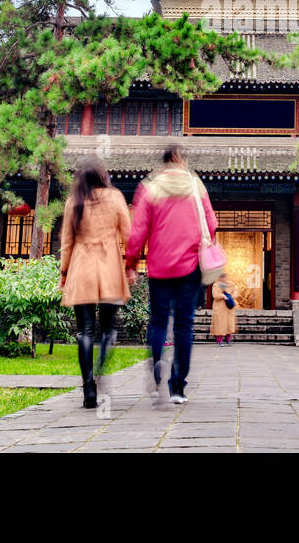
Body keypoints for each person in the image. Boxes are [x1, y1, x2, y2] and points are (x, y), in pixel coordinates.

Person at [125, 143, 218, 405]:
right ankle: (178, 386)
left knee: (157, 322)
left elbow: (138, 231)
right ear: (181, 160)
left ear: (165, 161)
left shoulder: (150, 187)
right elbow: (212, 224)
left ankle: (156, 375)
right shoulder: (196, 186)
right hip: (189, 267)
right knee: (184, 325)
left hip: (159, 266)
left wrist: (131, 262)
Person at [57, 157, 131, 409]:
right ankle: (100, 371)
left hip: (82, 267)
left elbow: (67, 241)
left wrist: (63, 273)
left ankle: (88, 386)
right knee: (108, 329)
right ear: (102, 175)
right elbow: (129, 235)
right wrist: (131, 265)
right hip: (109, 267)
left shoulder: (74, 201)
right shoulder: (115, 197)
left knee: (84, 331)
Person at [210, 272, 237, 347]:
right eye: (223, 278)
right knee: (219, 324)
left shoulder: (230, 284)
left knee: (229, 324)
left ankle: (228, 340)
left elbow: (236, 291)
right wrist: (222, 296)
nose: (224, 279)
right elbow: (215, 295)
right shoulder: (216, 285)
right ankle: (219, 340)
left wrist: (232, 296)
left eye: (225, 277)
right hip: (219, 307)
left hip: (228, 307)